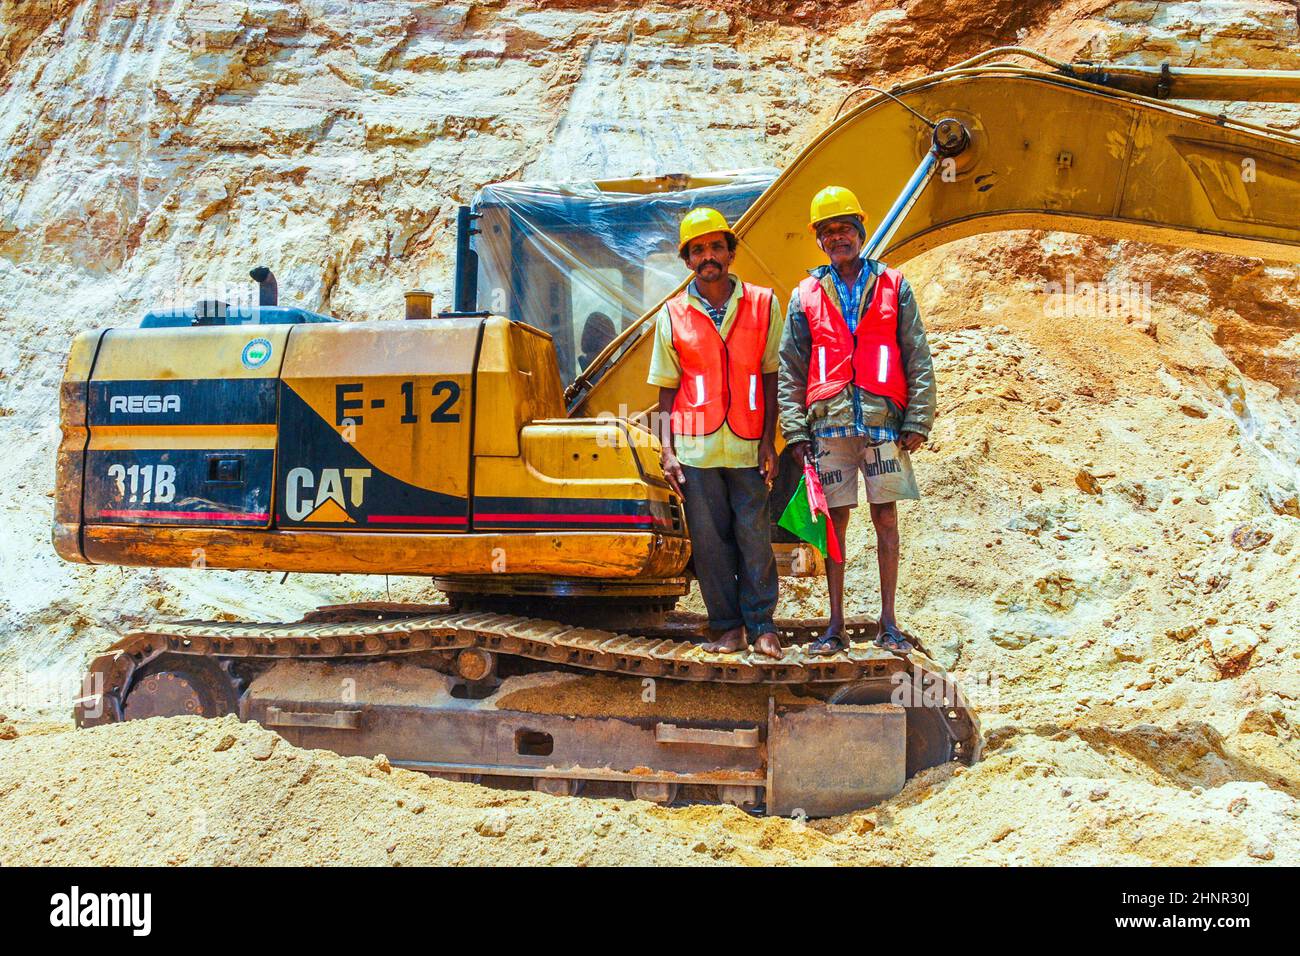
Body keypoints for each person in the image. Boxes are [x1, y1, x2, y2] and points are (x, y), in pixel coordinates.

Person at [777, 186, 936, 654]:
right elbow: (791, 366)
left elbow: (917, 354)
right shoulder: (804, 294)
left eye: (844, 228)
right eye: (828, 232)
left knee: (886, 518)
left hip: (885, 424)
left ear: (860, 231)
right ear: (820, 242)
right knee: (836, 524)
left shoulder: (894, 284)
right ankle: (836, 626)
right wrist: (794, 428)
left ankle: (889, 623)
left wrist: (919, 419)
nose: (837, 237)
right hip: (828, 425)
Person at [648, 207, 784, 659]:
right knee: (710, 545)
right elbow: (668, 389)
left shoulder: (763, 304)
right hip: (694, 448)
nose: (709, 256)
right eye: (698, 249)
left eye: (716, 247)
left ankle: (762, 625)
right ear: (688, 259)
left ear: (730, 252)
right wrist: (667, 450)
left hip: (748, 444)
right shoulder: (672, 314)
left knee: (754, 538)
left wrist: (770, 440)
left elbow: (771, 377)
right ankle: (728, 628)